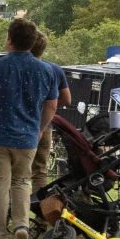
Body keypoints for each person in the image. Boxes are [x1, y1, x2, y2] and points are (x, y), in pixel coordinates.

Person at [0, 17, 58, 239]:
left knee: (0, 183)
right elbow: (53, 105)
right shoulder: (46, 70)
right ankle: (21, 226)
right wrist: (40, 129)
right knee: (21, 182)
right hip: (28, 137)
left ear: (9, 40)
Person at [28, 32, 73, 193]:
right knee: (40, 171)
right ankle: (40, 214)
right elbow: (67, 100)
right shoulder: (54, 69)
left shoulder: (20, 66)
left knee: (14, 171)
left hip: (20, 123)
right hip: (45, 124)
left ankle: (8, 211)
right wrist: (47, 103)